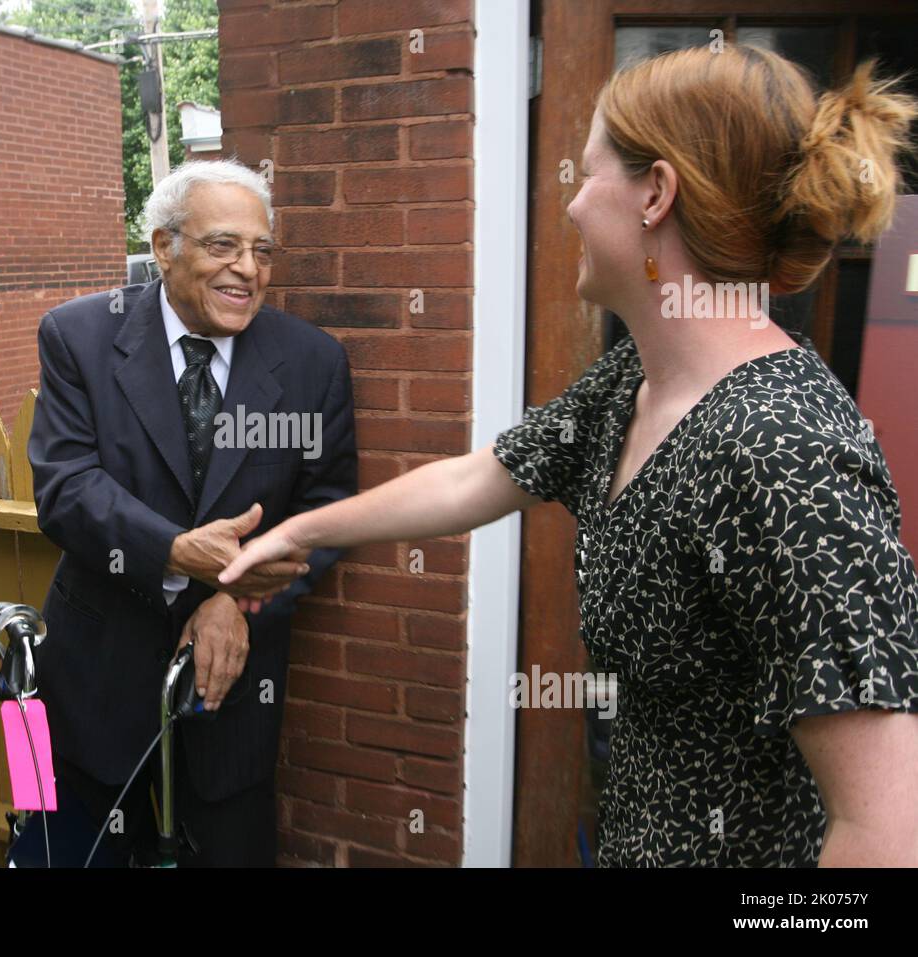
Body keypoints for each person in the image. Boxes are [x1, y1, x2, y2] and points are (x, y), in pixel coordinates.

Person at [221, 46, 918, 867]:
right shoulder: (636, 380)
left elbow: (885, 829)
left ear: (656, 193)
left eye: (588, 176)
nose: (573, 204)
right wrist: (297, 534)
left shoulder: (785, 452)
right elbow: (481, 477)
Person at [28, 160, 357, 866]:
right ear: (164, 247)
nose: (248, 268)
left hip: (232, 693)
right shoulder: (77, 336)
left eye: (262, 250)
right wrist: (175, 549)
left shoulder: (313, 363)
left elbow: (328, 506)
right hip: (94, 686)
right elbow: (65, 489)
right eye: (222, 246)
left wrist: (236, 595)